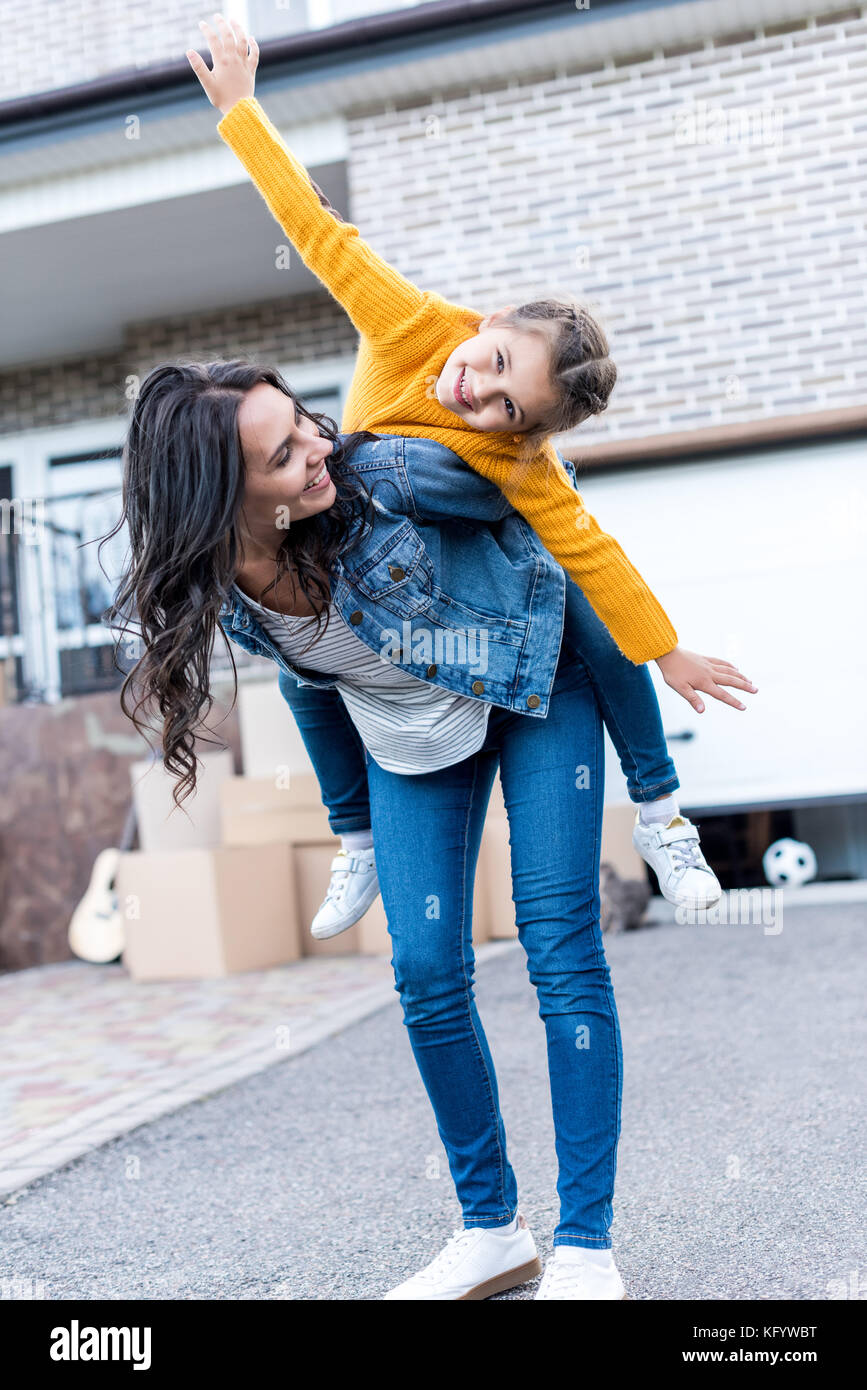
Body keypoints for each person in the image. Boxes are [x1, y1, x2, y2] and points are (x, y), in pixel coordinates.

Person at [183, 15, 757, 936]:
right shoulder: (412, 326)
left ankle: (661, 817)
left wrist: (666, 647)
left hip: (467, 564)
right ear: (483, 322)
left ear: (526, 432)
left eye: (505, 409)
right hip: (365, 530)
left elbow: (589, 545)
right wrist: (244, 113)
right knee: (303, 670)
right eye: (490, 361)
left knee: (588, 606)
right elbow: (319, 234)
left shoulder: (522, 460)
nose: (475, 394)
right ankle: (358, 839)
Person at [104, 357, 655, 1298]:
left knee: (558, 943)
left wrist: (655, 660)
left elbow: (547, 508)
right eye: (285, 454)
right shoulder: (228, 587)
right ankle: (492, 1232)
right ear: (219, 498)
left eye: (306, 423)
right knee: (425, 970)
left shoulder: (387, 473)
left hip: (534, 685)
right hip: (409, 733)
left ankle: (586, 1247)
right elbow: (314, 681)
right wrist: (351, 828)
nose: (321, 448)